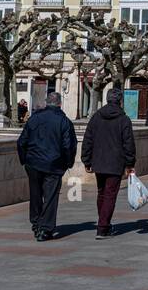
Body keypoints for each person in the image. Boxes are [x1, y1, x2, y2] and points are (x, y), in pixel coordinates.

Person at [15, 92, 77, 241]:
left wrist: (25, 160)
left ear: (46, 103)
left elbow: (21, 142)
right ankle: (45, 229)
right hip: (54, 164)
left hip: (34, 163)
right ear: (60, 104)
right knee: (50, 196)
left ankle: (36, 223)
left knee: (35, 194)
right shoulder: (64, 121)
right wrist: (68, 162)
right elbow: (69, 145)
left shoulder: (34, 119)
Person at [81, 88, 136, 240]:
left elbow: (88, 139)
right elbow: (128, 144)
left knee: (102, 192)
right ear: (120, 101)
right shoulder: (124, 119)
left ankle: (103, 222)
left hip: (98, 162)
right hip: (115, 163)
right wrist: (130, 163)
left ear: (107, 99)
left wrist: (86, 160)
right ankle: (103, 227)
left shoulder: (96, 117)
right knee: (110, 194)